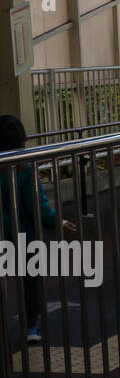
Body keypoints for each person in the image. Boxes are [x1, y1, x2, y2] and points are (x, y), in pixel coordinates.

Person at [0, 115, 76, 344]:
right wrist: (56, 222)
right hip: (25, 237)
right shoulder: (24, 166)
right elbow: (37, 205)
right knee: (31, 282)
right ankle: (32, 327)